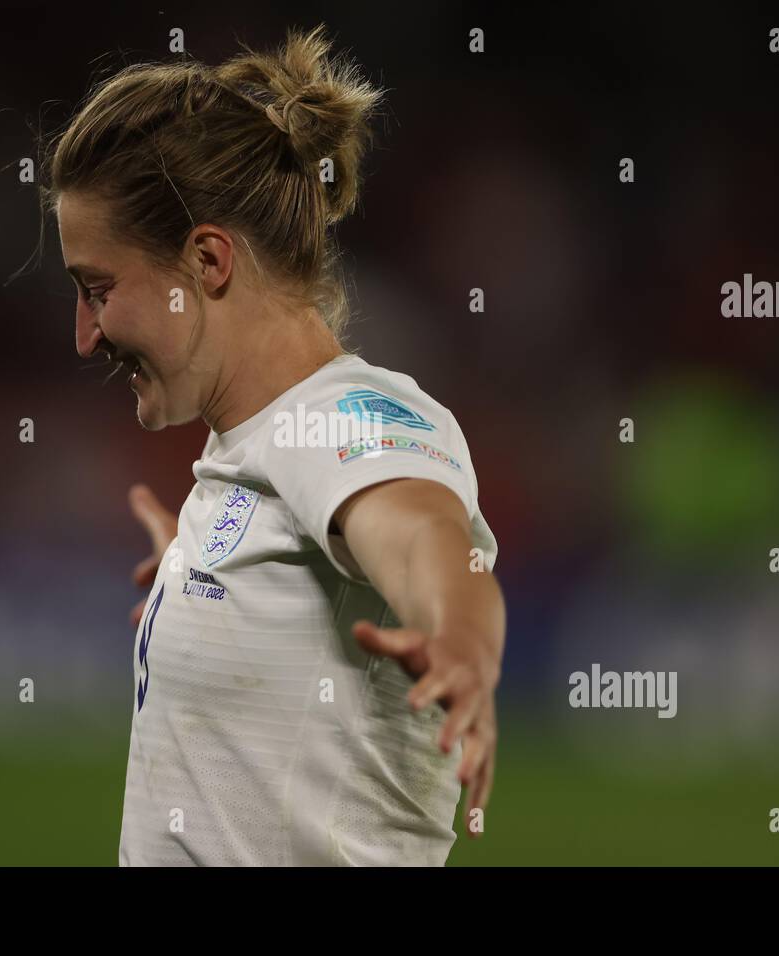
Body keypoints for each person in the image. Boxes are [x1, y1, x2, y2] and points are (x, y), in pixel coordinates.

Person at [43, 24, 505, 865]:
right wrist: (199, 587)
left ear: (208, 261)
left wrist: (461, 644)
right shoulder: (261, 449)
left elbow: (424, 537)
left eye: (97, 289)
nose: (85, 334)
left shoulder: (338, 417)